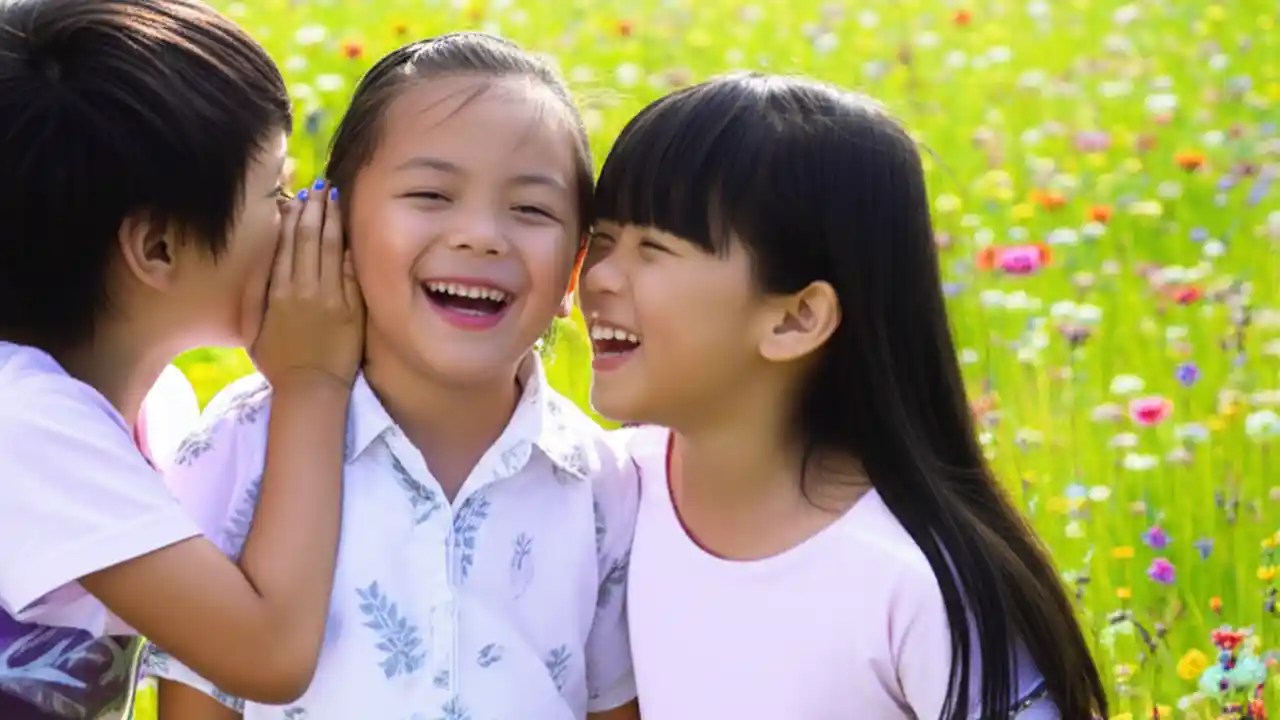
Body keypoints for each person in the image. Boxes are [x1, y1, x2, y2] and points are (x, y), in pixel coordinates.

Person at [580, 73, 1108, 719]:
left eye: (652, 249)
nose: (598, 275)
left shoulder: (914, 583)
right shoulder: (603, 496)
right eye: (601, 240)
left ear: (796, 319)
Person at [146, 33, 641, 720]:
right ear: (331, 227)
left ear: (575, 269)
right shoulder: (238, 443)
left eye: (530, 209)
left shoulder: (606, 486)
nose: (482, 235)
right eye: (432, 194)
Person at [0, 1, 363, 716]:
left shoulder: (158, 407)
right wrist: (312, 384)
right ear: (159, 248)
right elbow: (268, 653)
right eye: (276, 191)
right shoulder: (27, 426)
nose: (298, 218)